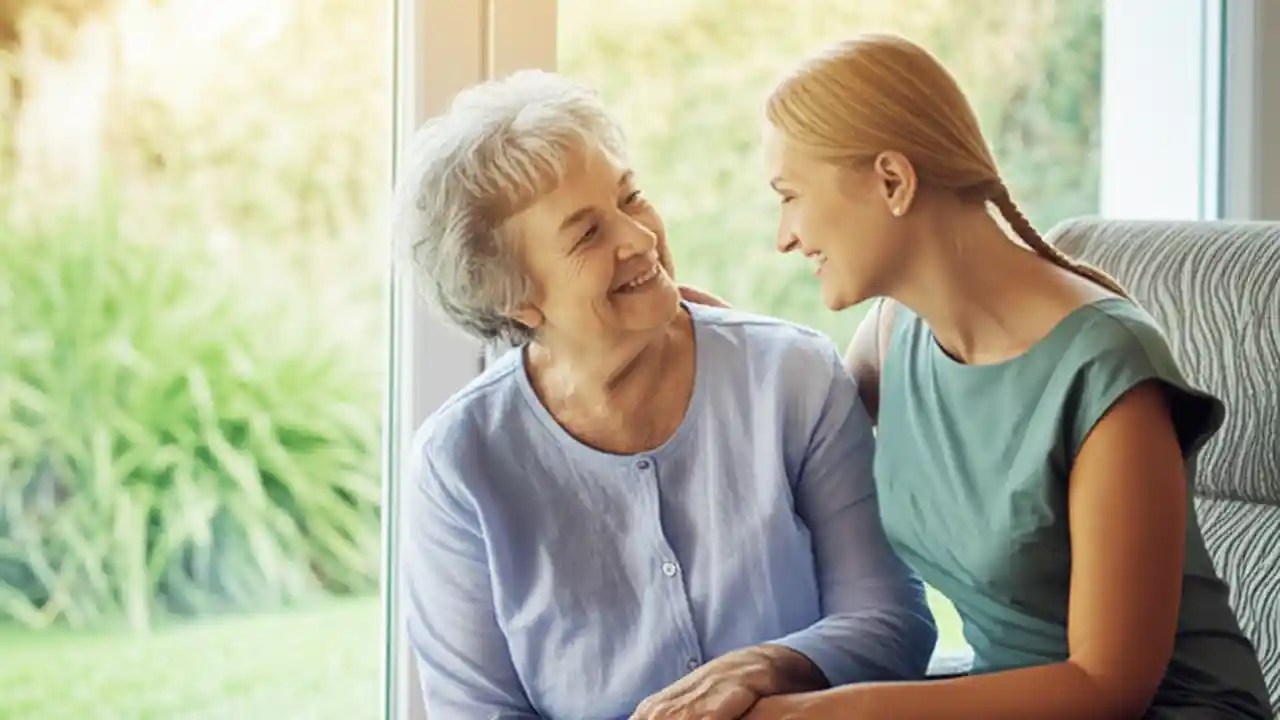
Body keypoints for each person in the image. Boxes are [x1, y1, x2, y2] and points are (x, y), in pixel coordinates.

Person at [733, 34, 1270, 719]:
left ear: (892, 181)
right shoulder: (893, 337)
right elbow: (788, 442)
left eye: (790, 196)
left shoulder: (1105, 371)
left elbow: (1108, 687)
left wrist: (829, 711)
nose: (784, 236)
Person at [392, 69, 936, 720]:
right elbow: (476, 710)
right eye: (588, 233)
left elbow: (891, 623)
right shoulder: (459, 463)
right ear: (513, 295)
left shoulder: (790, 375)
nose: (640, 237)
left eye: (631, 198)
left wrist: (763, 668)